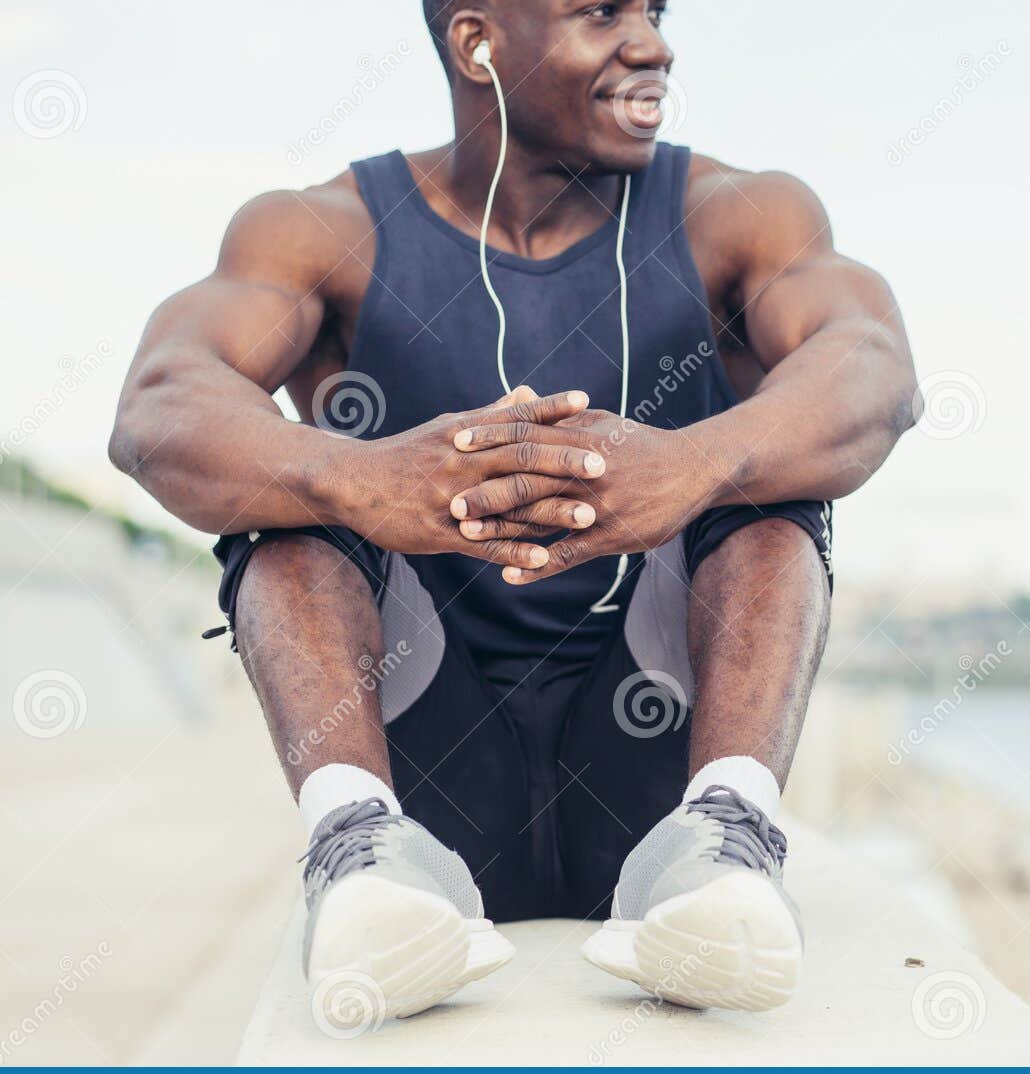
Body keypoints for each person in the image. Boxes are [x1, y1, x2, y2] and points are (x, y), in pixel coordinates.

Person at [109, 0, 917, 1021]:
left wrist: (691, 461)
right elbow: (162, 399)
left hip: (649, 775)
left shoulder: (739, 213)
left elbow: (874, 369)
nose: (653, 45)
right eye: (600, 14)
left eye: (656, 14)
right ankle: (356, 853)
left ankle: (730, 841)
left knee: (768, 478)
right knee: (288, 493)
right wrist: (366, 479)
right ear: (477, 41)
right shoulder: (324, 229)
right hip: (431, 771)